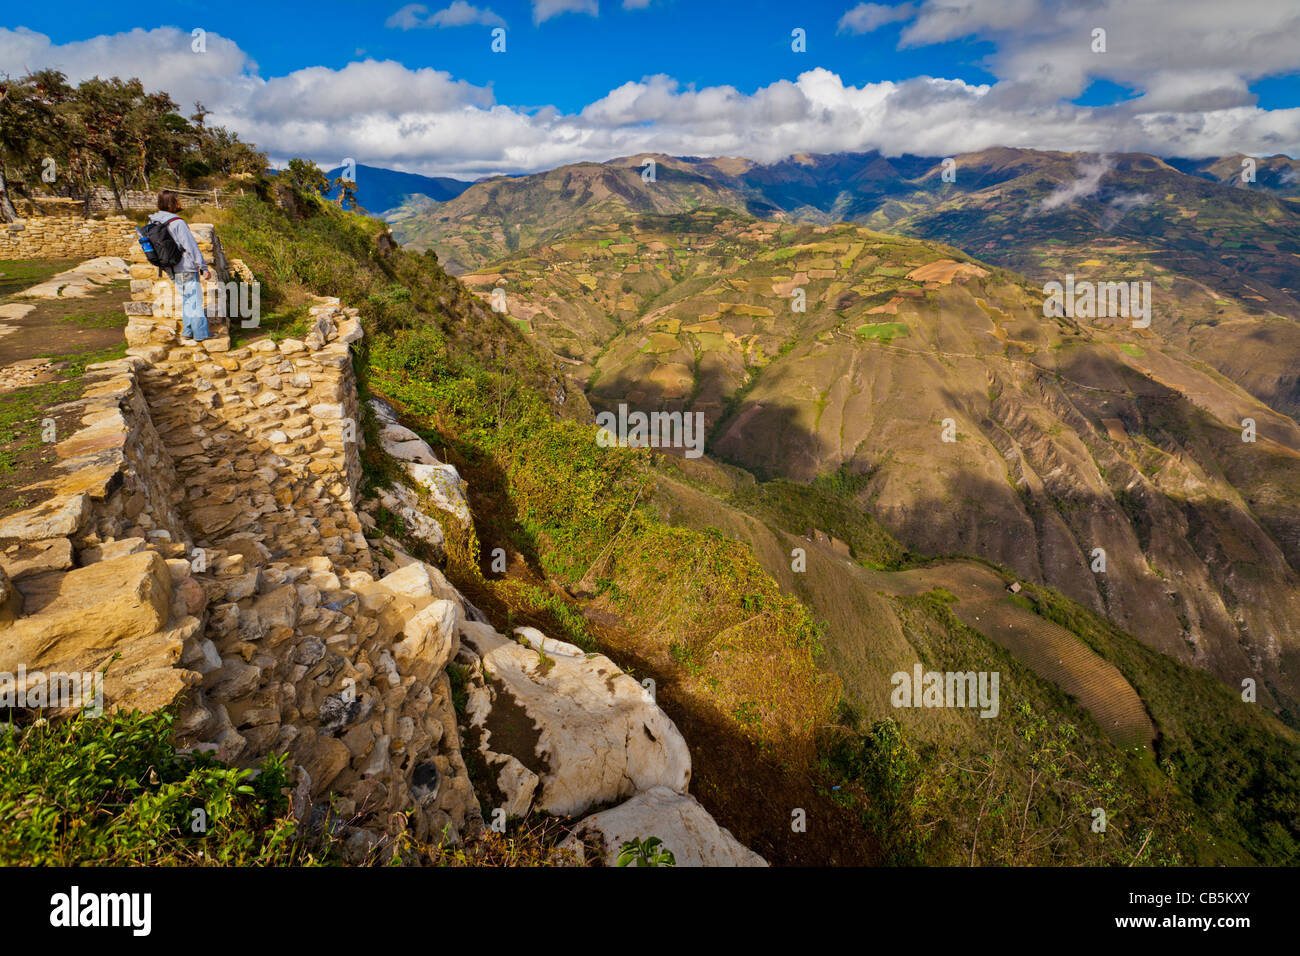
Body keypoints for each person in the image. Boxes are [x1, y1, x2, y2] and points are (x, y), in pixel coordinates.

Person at [149, 191, 211, 343]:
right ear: (172, 203)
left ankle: (187, 331)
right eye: (177, 200)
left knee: (187, 299)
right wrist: (203, 267)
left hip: (170, 267)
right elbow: (190, 246)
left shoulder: (154, 221)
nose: (180, 203)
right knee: (194, 301)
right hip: (185, 267)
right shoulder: (177, 222)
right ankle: (201, 334)